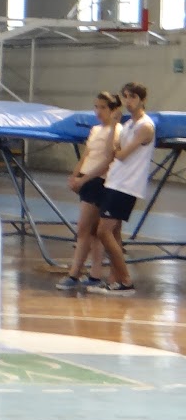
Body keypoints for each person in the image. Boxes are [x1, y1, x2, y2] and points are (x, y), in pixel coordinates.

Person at [91, 82, 153, 296]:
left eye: (132, 97)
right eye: (126, 97)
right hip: (115, 182)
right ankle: (117, 280)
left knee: (103, 230)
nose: (128, 101)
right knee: (113, 232)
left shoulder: (145, 126)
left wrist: (117, 150)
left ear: (142, 99)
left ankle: (126, 280)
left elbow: (122, 155)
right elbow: (111, 151)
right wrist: (113, 128)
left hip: (126, 186)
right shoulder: (126, 126)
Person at [57, 91, 122, 292]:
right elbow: (87, 154)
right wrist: (75, 175)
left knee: (84, 229)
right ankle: (95, 274)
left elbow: (108, 159)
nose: (98, 111)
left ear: (113, 110)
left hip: (99, 181)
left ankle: (74, 273)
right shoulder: (95, 129)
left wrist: (84, 179)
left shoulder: (117, 130)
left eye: (103, 107)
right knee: (92, 232)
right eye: (96, 107)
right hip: (87, 180)